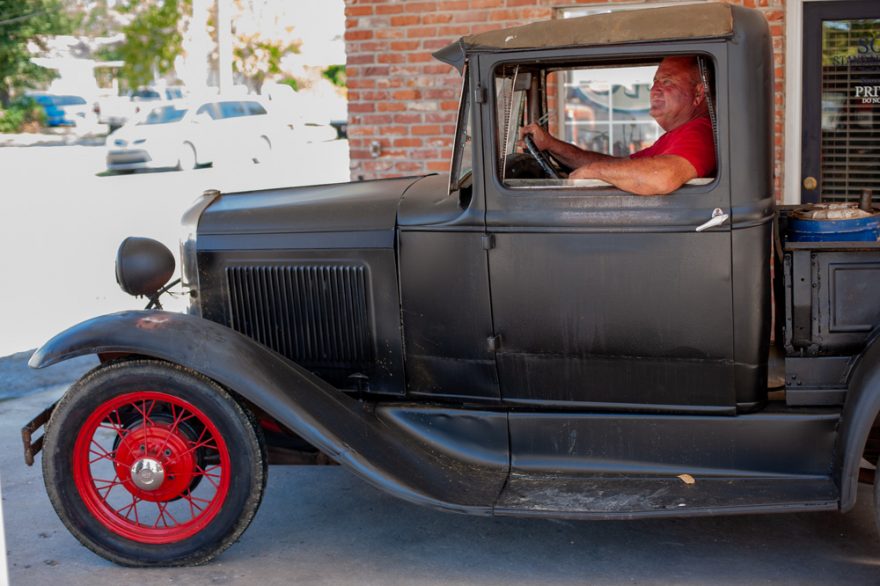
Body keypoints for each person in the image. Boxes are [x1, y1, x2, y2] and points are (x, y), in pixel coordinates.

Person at [520, 56, 716, 196]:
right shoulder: (676, 135)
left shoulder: (700, 131)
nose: (653, 90)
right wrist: (550, 144)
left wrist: (596, 172)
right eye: (654, 81)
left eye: (667, 82)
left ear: (698, 94)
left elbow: (663, 177)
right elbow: (620, 165)